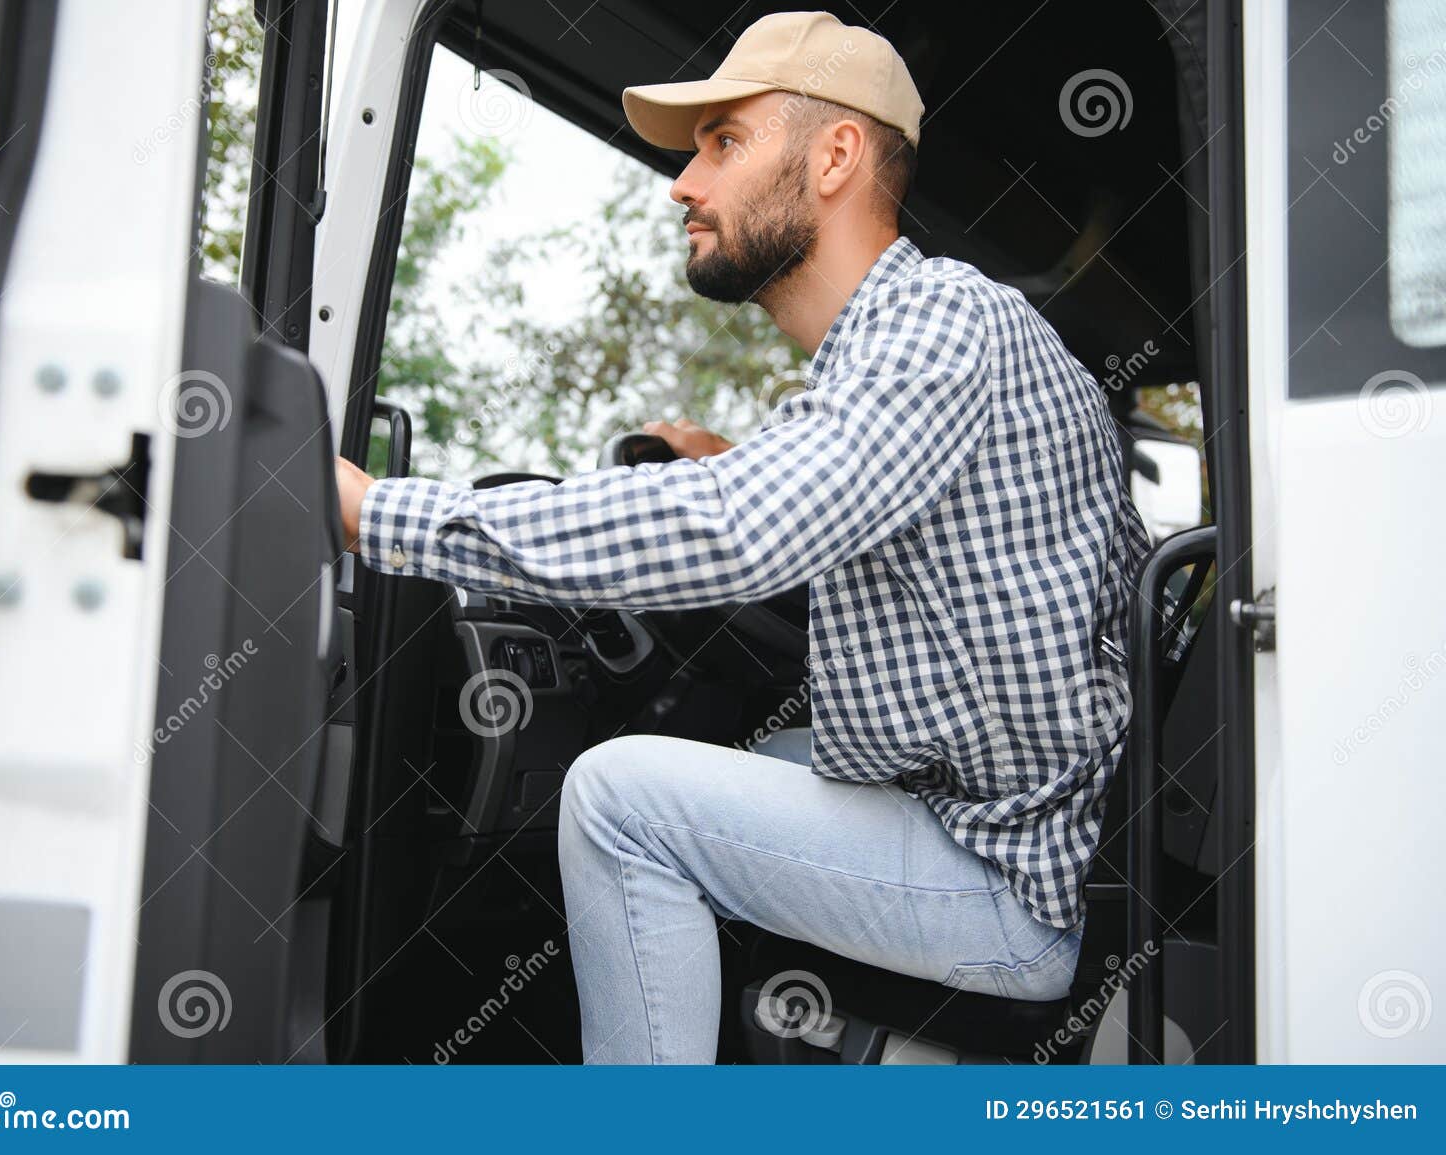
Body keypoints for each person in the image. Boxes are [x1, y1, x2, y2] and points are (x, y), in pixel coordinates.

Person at [335, 10, 1149, 1064]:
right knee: (767, 750)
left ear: (835, 156)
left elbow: (731, 533)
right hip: (1020, 820)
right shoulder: (913, 343)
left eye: (724, 143)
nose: (682, 182)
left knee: (616, 799)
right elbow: (831, 524)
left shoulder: (940, 324)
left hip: (1007, 881)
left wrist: (378, 510)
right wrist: (734, 468)